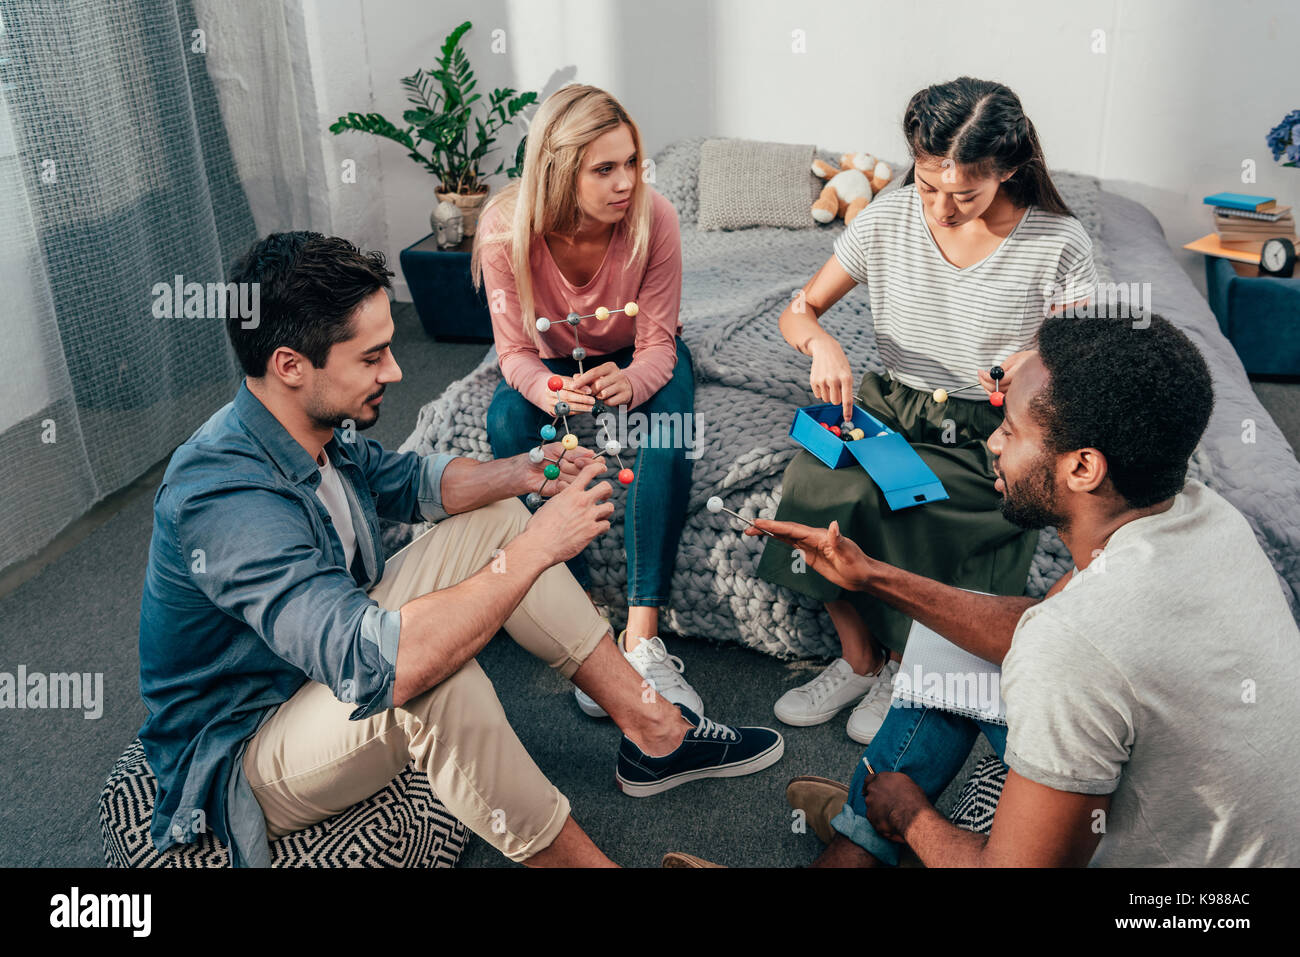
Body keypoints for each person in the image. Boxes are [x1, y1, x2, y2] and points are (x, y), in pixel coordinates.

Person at [136, 232, 783, 868]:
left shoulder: (306, 424)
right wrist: (538, 547)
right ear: (289, 365)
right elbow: (383, 666)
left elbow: (406, 481)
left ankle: (657, 733)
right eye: (370, 358)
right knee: (439, 683)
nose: (395, 369)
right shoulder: (222, 499)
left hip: (321, 650)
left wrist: (527, 469)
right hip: (248, 740)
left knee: (496, 514)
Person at [757, 311, 1300, 867]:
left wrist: (911, 816)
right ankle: (858, 848)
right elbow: (1037, 624)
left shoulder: (1073, 647)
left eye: (1011, 430)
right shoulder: (1204, 513)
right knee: (952, 647)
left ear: (1083, 467)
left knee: (937, 813)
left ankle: (879, 831)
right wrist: (872, 575)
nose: (993, 442)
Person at [757, 77, 1097, 744]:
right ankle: (858, 659)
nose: (939, 207)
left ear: (1007, 169)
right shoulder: (889, 215)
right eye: (928, 183)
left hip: (991, 431)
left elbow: (1073, 354)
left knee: (910, 507)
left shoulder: (1059, 242)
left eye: (963, 193)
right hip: (890, 408)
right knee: (811, 488)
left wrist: (1025, 366)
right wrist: (822, 344)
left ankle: (908, 664)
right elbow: (798, 309)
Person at [474, 84, 702, 720]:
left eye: (632, 162)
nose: (625, 182)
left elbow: (659, 340)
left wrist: (633, 383)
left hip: (636, 352)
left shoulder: (655, 218)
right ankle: (582, 626)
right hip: (553, 362)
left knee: (671, 428)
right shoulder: (503, 232)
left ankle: (643, 634)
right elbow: (514, 352)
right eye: (604, 169)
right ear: (557, 170)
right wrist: (551, 390)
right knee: (505, 419)